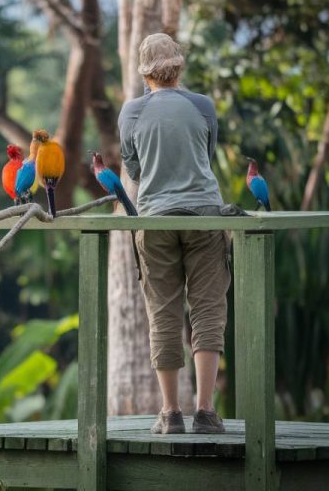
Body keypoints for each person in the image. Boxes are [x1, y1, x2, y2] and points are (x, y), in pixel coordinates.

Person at [118, 33, 231, 435]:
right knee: (207, 310)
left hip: (155, 220)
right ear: (179, 65)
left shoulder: (130, 112)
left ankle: (170, 413)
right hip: (205, 216)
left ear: (144, 71)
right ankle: (205, 411)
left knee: (162, 313)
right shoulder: (202, 106)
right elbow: (206, 155)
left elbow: (133, 171)